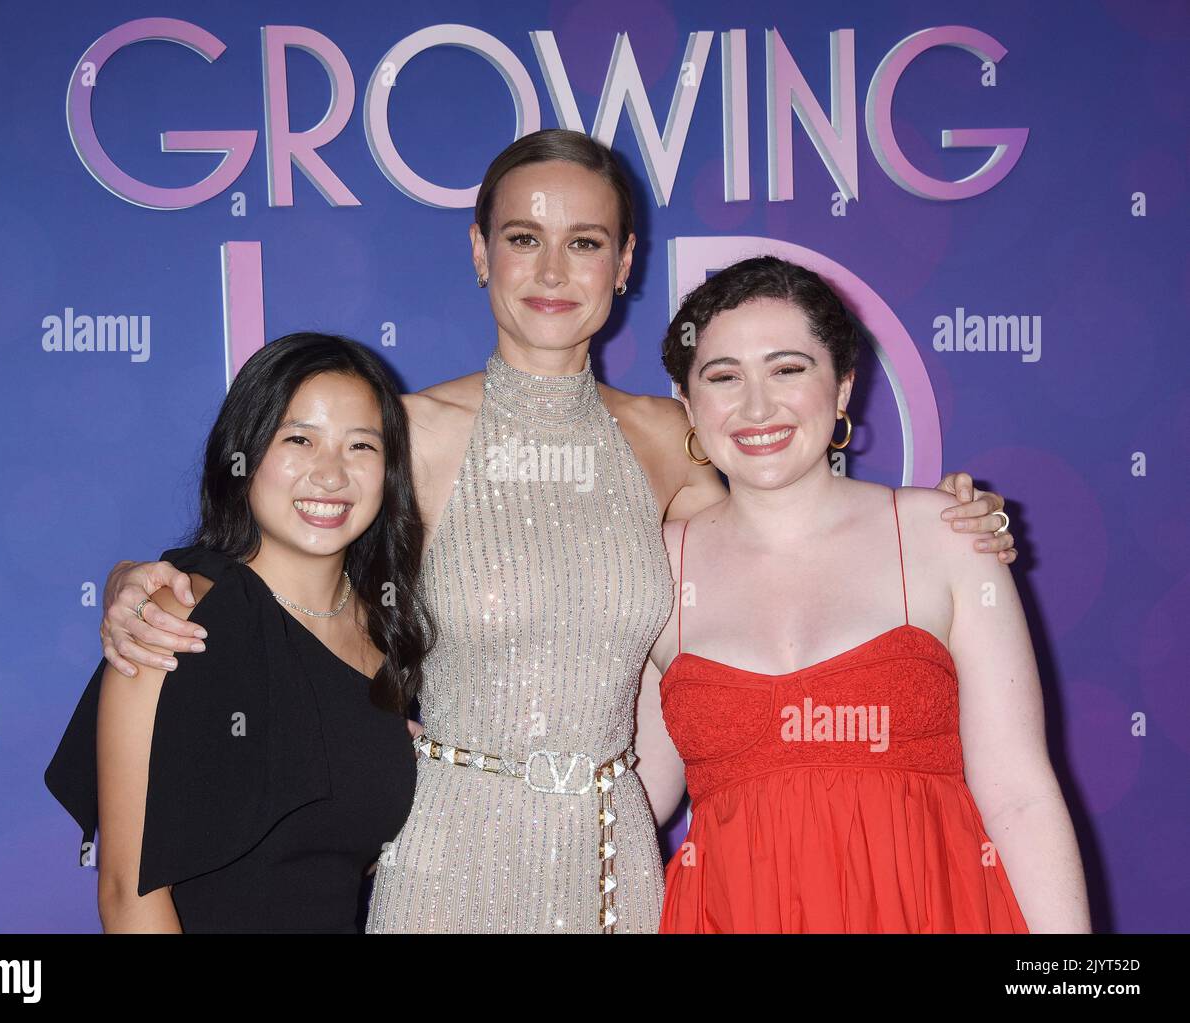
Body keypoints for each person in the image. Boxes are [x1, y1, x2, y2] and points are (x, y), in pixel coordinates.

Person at [91, 130, 1018, 933]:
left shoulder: (673, 440)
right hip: (446, 861)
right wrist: (152, 579)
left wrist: (935, 522)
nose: (551, 272)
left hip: (616, 865)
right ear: (480, 251)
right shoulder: (404, 434)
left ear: (624, 263)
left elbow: (784, 537)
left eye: (584, 243)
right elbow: (287, 576)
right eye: (523, 238)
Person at [650, 256, 1090, 933]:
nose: (757, 407)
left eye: (788, 369)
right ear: (687, 403)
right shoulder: (650, 569)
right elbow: (629, 800)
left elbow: (1020, 796)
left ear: (843, 387)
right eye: (724, 376)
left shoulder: (946, 534)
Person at [44, 333, 434, 932]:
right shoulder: (175, 615)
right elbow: (129, 894)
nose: (331, 474)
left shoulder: (387, 637)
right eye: (299, 439)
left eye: (361, 445)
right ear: (244, 454)